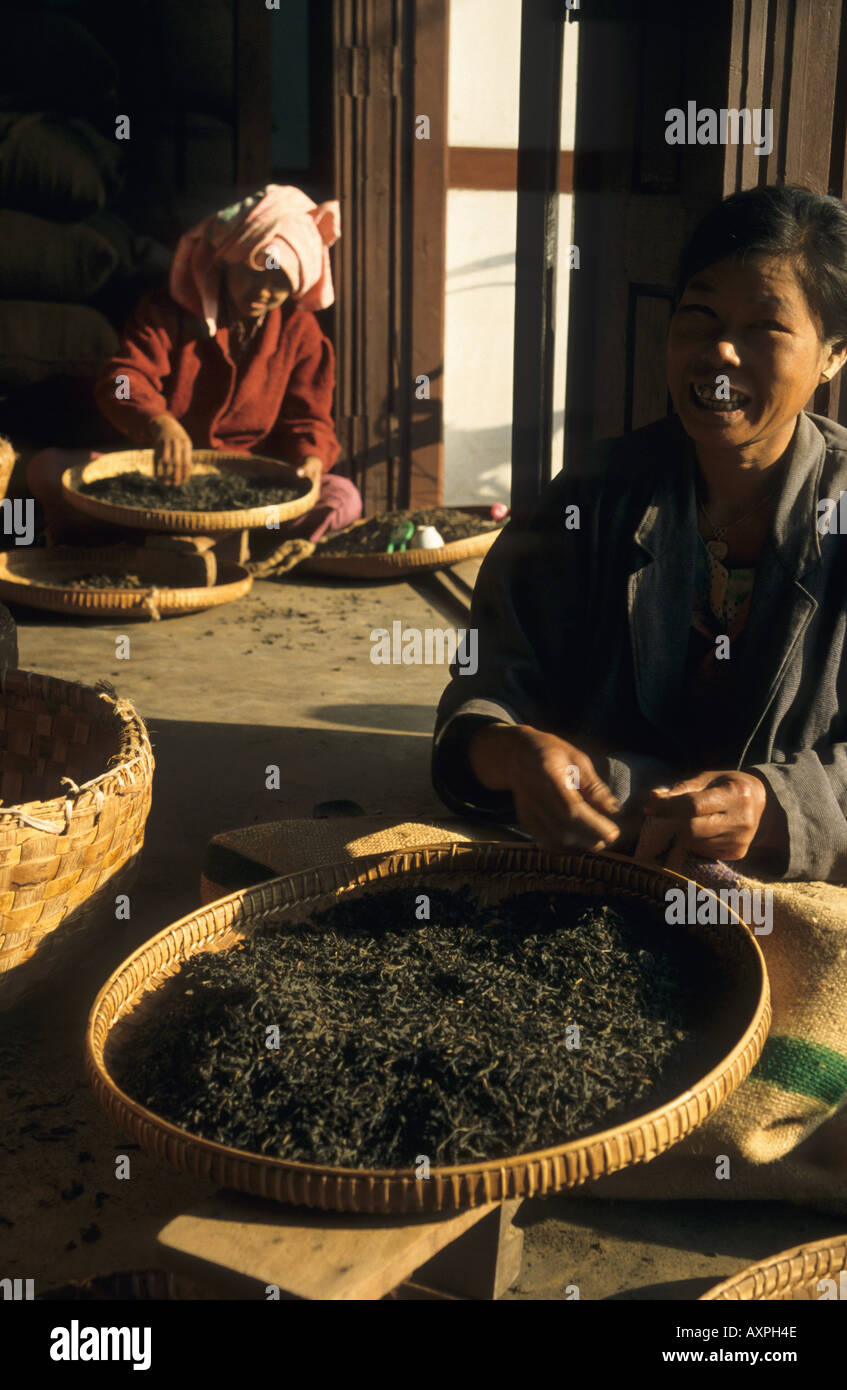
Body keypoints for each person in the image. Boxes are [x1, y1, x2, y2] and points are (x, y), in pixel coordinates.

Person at [433, 184, 847, 882]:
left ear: (832, 354)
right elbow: (490, 680)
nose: (718, 350)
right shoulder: (592, 495)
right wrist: (510, 752)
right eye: (698, 315)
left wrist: (776, 805)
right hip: (596, 870)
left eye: (763, 328)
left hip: (776, 896)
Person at [27, 185, 361, 543]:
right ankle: (201, 544)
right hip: (159, 477)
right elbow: (123, 379)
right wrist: (158, 423)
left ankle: (200, 542)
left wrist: (310, 459)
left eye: (279, 280)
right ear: (229, 259)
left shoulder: (300, 330)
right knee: (48, 469)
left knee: (342, 496)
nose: (263, 290)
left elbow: (309, 416)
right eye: (254, 272)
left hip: (244, 485)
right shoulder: (166, 311)